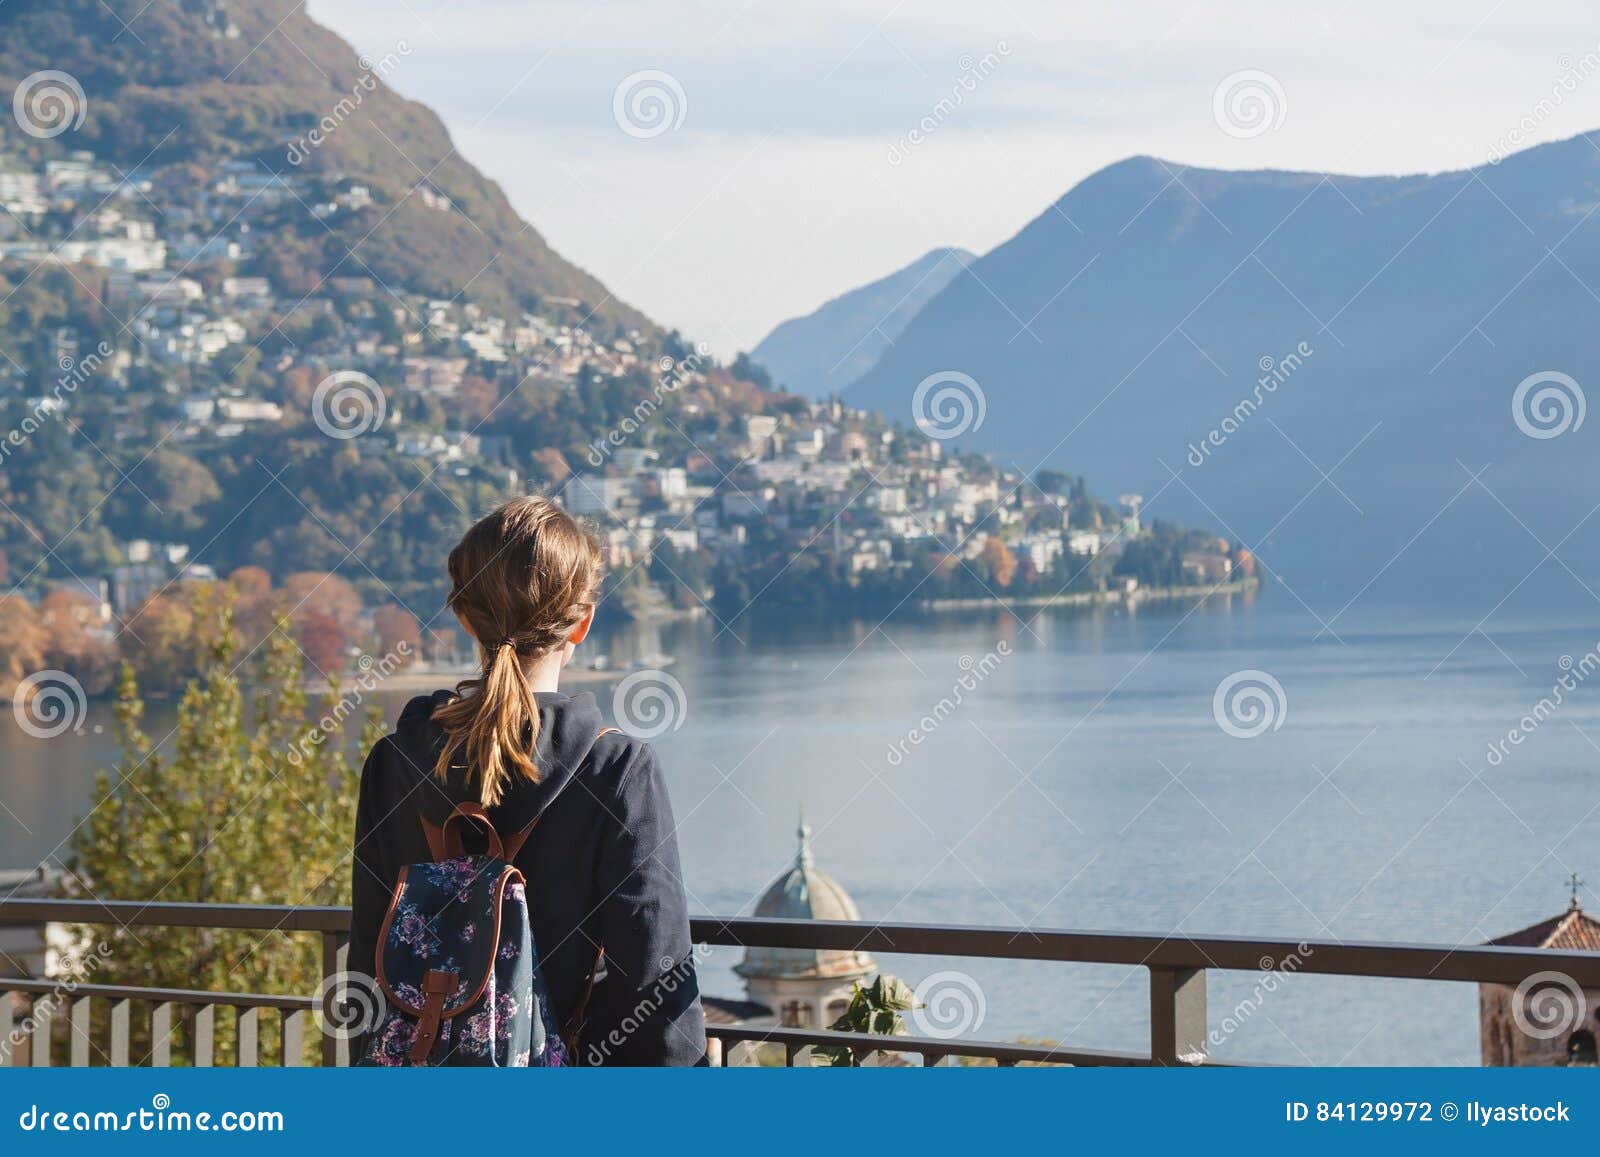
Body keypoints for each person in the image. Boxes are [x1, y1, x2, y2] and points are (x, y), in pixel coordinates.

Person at [348, 495, 706, 1065]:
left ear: (464, 618)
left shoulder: (392, 763)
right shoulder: (615, 770)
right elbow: (656, 980)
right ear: (583, 622)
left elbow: (369, 959)